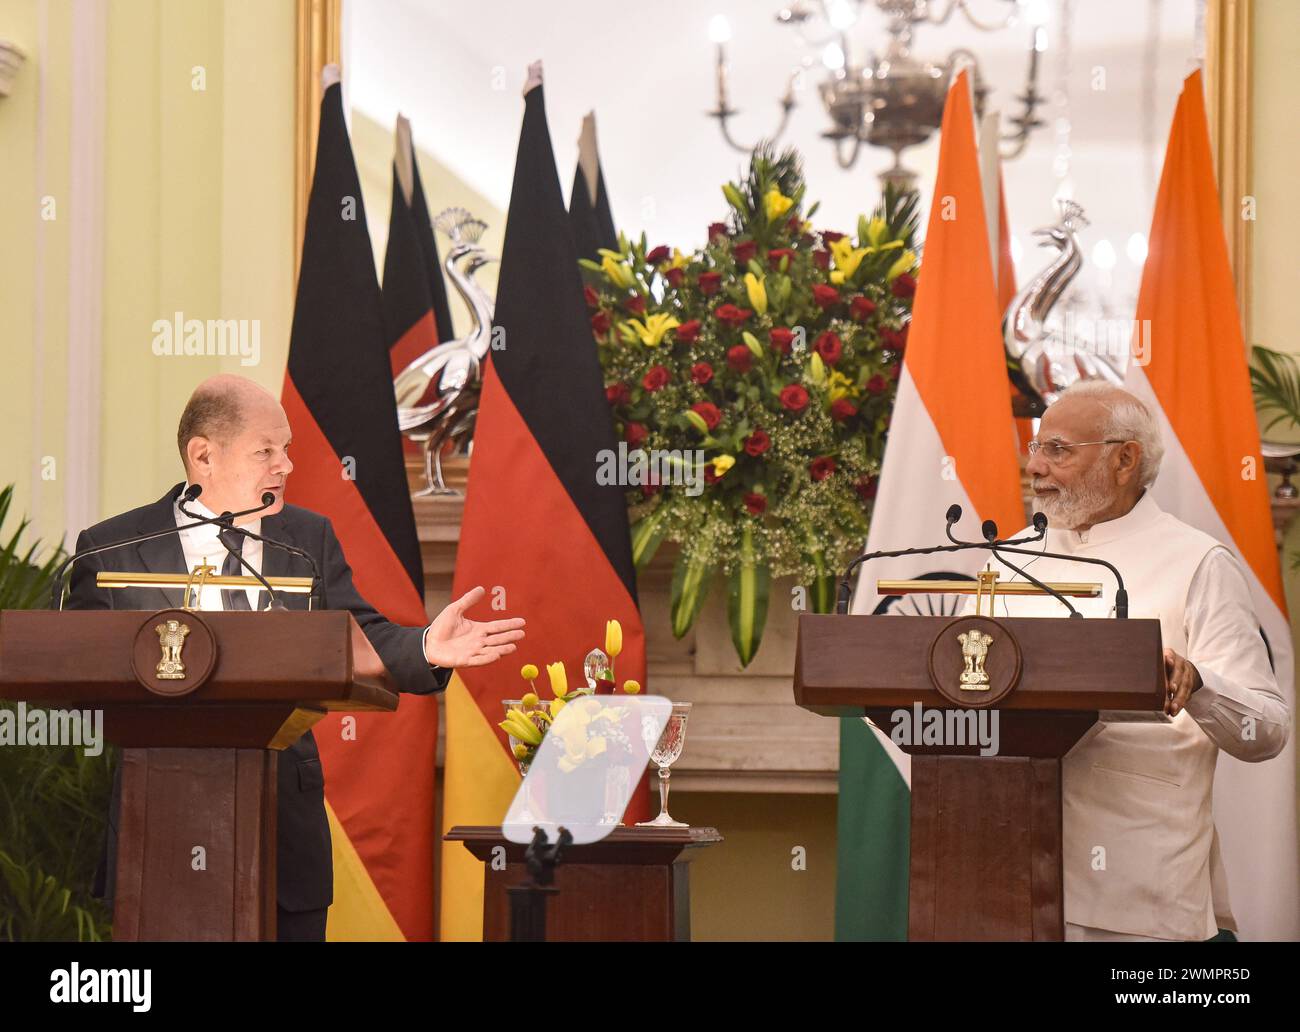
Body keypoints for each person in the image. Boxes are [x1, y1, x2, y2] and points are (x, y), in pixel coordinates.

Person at [67, 374, 525, 941]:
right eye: (266, 451)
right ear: (203, 457)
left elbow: (358, 636)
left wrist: (428, 644)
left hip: (283, 826)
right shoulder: (114, 549)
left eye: (286, 450)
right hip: (159, 827)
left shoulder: (305, 539)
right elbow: (78, 673)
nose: (285, 465)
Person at [991, 380, 1289, 941]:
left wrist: (1197, 685)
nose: (1035, 466)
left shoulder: (1196, 561)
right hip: (1004, 880)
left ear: (1125, 459)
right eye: (1035, 447)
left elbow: (1267, 728)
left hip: (1140, 894)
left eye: (1057, 450)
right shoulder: (1007, 561)